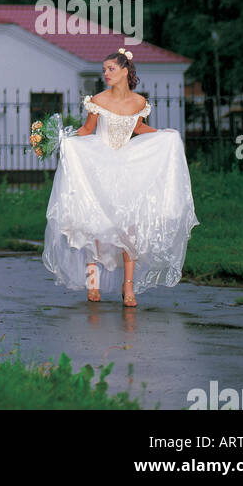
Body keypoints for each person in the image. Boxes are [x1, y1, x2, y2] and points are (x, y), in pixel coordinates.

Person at [42, 49, 199, 305]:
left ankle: (129, 288)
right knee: (94, 223)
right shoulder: (98, 101)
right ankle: (93, 284)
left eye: (111, 69)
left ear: (125, 71)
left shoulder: (139, 102)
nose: (106, 74)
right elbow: (87, 130)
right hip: (99, 165)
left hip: (128, 167)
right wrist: (62, 140)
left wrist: (163, 135)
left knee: (129, 226)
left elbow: (138, 128)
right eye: (104, 70)